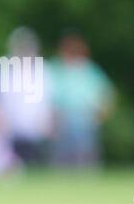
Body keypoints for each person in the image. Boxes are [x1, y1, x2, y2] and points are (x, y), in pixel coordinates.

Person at [47, 32, 114, 168]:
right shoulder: (56, 69)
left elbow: (106, 95)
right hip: (63, 121)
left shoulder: (89, 70)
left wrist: (99, 117)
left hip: (85, 121)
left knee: (85, 158)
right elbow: (50, 99)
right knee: (62, 160)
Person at [0, 27, 51, 167]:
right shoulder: (3, 69)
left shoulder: (43, 70)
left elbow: (47, 100)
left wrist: (46, 122)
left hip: (37, 132)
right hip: (9, 132)